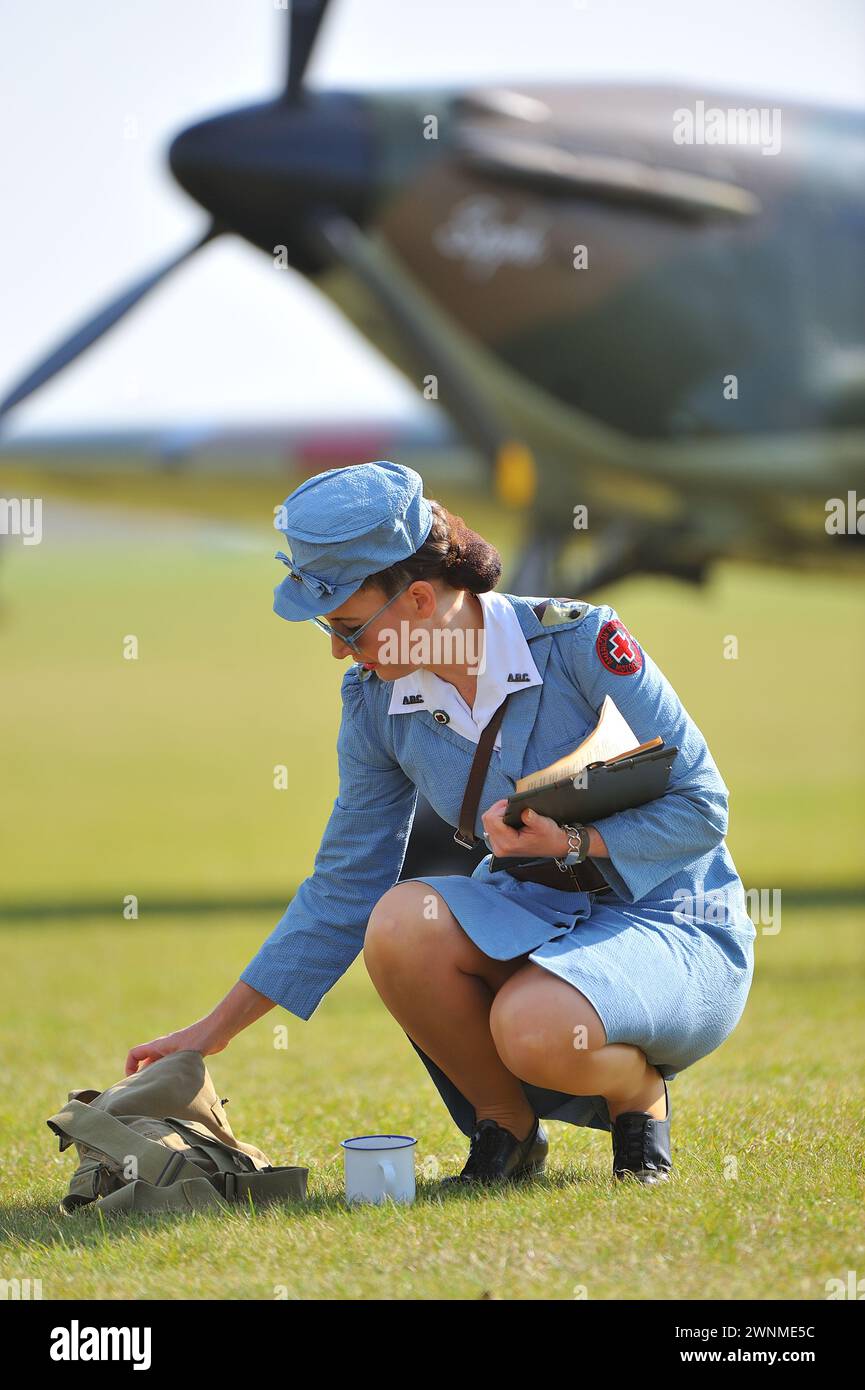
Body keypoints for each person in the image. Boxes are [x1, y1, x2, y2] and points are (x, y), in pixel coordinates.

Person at [126, 460, 756, 1188]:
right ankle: (505, 1129)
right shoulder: (372, 704)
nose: (338, 649)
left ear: (420, 598)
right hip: (532, 915)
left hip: (669, 919)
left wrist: (579, 842)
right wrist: (212, 1032)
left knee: (532, 1026)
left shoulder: (583, 643)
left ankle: (634, 1096)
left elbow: (701, 806)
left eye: (348, 627)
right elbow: (345, 886)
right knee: (399, 921)